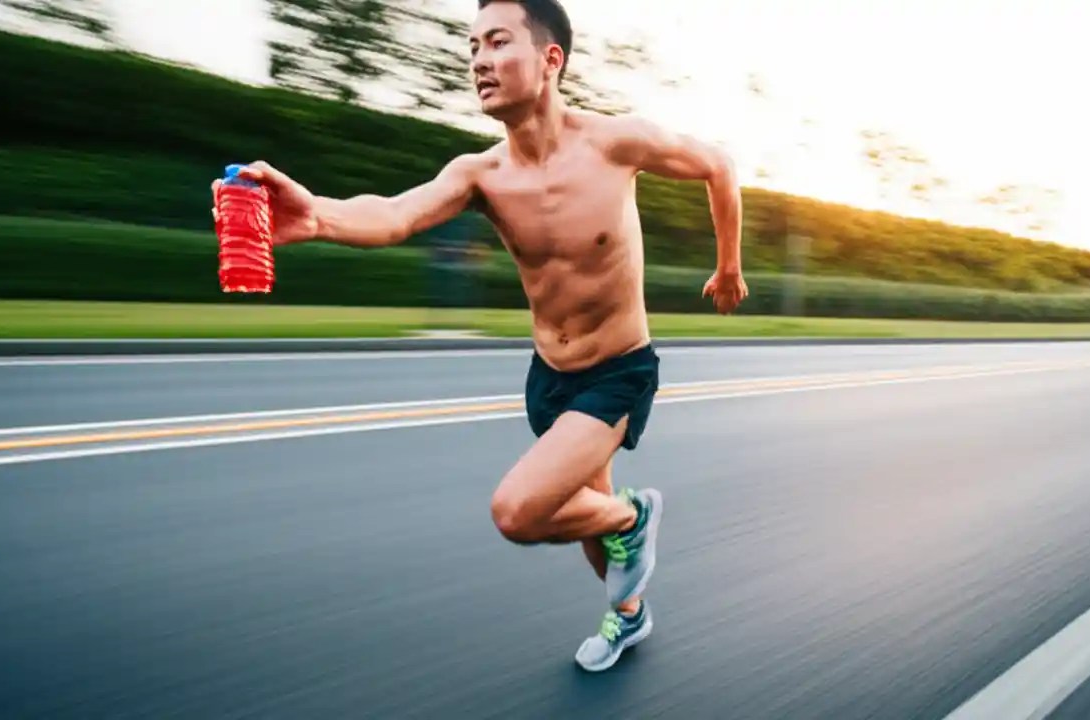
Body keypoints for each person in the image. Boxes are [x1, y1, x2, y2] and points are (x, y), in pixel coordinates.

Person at [211, 0, 748, 672]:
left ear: (551, 60)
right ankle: (629, 614)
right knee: (585, 506)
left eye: (497, 42)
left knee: (521, 511)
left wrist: (727, 267)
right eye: (471, 48)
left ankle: (635, 521)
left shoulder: (615, 142)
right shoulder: (480, 174)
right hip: (549, 379)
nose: (479, 62)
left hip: (618, 372)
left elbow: (719, 166)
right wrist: (315, 216)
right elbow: (395, 214)